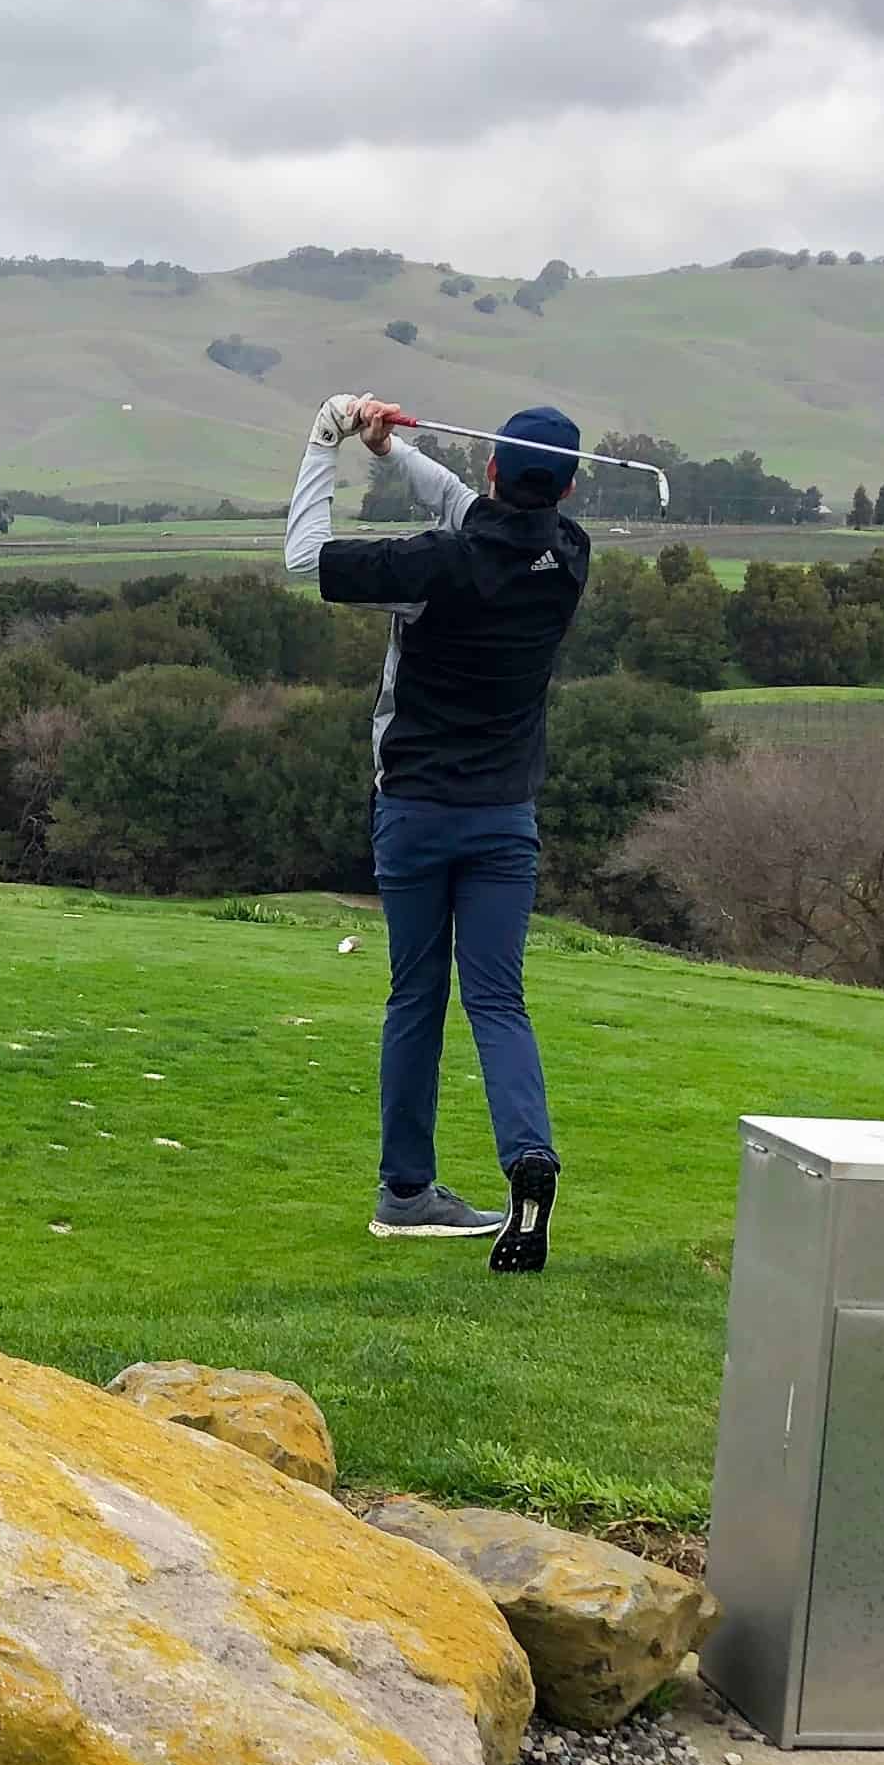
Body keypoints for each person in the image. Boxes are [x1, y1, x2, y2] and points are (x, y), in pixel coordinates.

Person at [284, 393, 594, 1273]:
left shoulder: (439, 565)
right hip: (506, 818)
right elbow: (480, 513)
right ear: (564, 492)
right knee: (499, 1001)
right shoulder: (567, 556)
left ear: (495, 470)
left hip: (416, 811)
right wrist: (387, 455)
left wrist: (327, 440)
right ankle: (527, 1153)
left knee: (415, 996)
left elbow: (304, 558)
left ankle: (406, 1191)